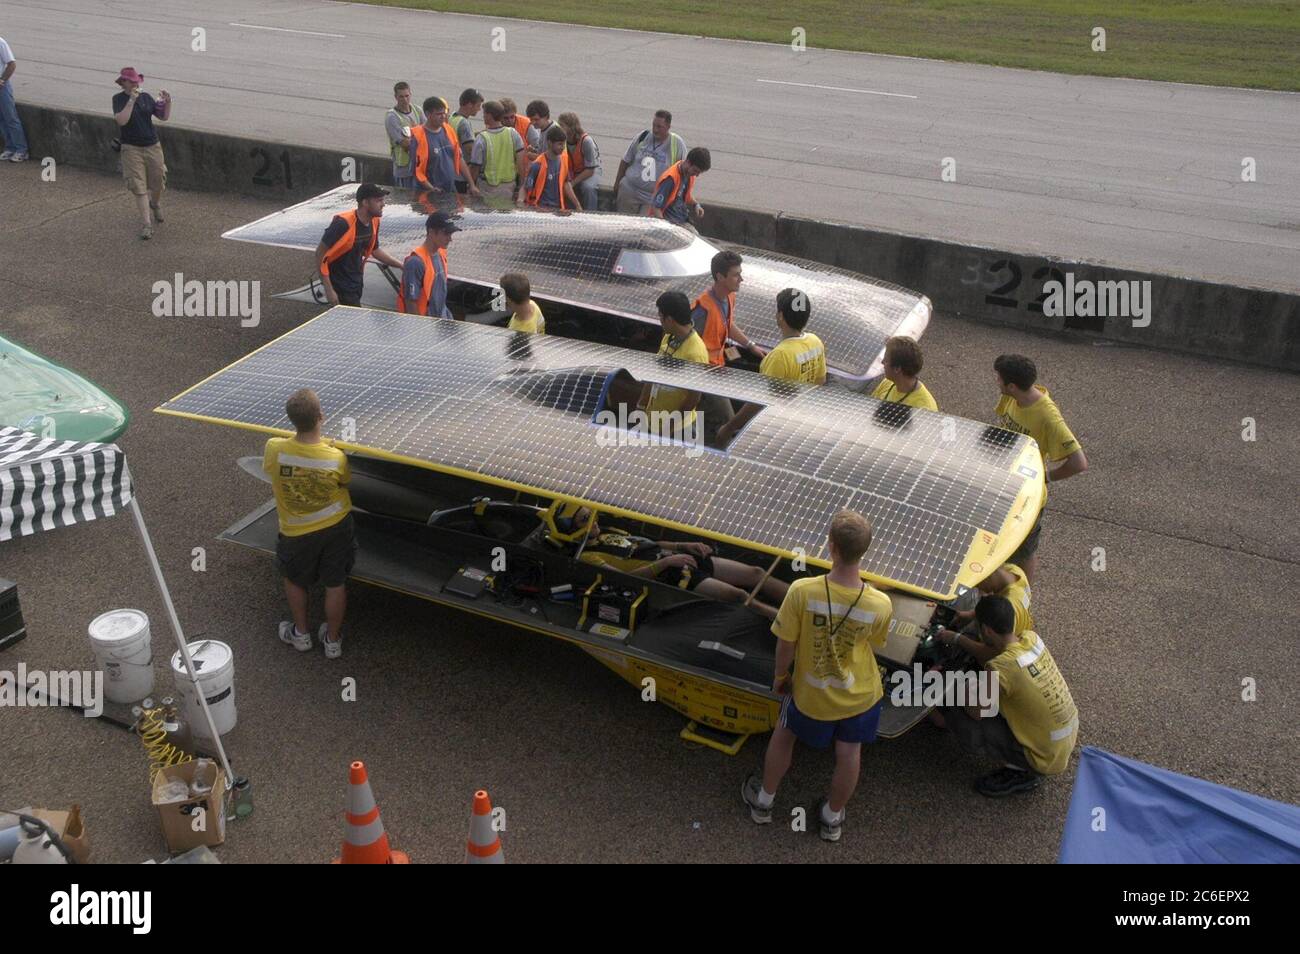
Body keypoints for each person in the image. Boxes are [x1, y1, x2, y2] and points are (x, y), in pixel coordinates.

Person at [742, 510, 892, 842]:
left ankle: (763, 802)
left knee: (784, 734)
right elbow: (874, 643)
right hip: (860, 696)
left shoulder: (802, 591)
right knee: (849, 753)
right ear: (864, 551)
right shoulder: (880, 603)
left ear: (831, 546)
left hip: (809, 693)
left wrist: (781, 676)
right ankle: (831, 819)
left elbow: (786, 642)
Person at [933, 595, 1079, 796]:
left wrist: (953, 685)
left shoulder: (1001, 669)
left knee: (961, 714)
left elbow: (977, 712)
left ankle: (1022, 771)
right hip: (1062, 739)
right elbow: (995, 654)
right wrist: (958, 639)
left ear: (986, 631)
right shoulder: (1031, 638)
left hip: (1043, 757)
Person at [558, 507, 789, 618]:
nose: (594, 521)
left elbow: (649, 543)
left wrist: (682, 546)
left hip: (678, 558)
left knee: (756, 572)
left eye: (592, 515)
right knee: (739, 596)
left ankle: (803, 600)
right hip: (670, 574)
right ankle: (788, 623)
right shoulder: (588, 557)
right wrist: (667, 564)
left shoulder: (607, 530)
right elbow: (626, 580)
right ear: (573, 530)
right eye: (586, 519)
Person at [264, 389, 356, 660]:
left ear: (291, 420)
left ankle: (301, 634)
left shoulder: (274, 449)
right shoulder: (336, 458)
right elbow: (344, 481)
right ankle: (332, 640)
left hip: (296, 532)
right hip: (336, 527)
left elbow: (285, 458)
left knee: (294, 578)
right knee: (335, 582)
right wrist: (328, 447)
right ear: (321, 417)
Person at [993, 354, 1088, 582]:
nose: (996, 382)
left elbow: (1079, 462)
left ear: (1012, 386)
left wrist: (1044, 478)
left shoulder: (1048, 416)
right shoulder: (1011, 399)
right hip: (1005, 485)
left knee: (1024, 551)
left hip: (1027, 496)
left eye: (998, 379)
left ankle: (1022, 598)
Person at [716, 288, 825, 445]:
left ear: (780, 316)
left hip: (779, 428)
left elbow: (758, 403)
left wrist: (729, 427)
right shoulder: (815, 342)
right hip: (803, 423)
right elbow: (819, 383)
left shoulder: (780, 356)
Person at [691, 251, 762, 440]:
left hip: (717, 369)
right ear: (720, 277)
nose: (741, 279)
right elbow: (688, 345)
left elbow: (726, 323)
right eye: (736, 275)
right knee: (728, 423)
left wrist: (750, 345)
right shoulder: (702, 310)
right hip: (705, 375)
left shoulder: (729, 297)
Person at [635, 291, 709, 439]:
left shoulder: (696, 353)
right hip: (654, 420)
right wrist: (641, 406)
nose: (660, 321)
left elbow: (694, 398)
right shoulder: (669, 338)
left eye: (660, 317)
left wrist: (668, 427)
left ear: (669, 319)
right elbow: (653, 374)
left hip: (678, 429)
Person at [315, 184, 403, 306]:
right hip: (339, 285)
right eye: (379, 200)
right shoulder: (342, 224)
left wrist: (401, 265)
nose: (383, 204)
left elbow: (375, 250)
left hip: (355, 282)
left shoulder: (374, 221)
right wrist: (328, 289)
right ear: (365, 202)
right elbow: (320, 254)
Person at [110, 68, 171, 240]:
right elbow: (121, 120)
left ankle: (155, 203)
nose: (136, 84)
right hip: (131, 148)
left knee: (159, 180)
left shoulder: (146, 98)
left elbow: (163, 116)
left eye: (137, 81)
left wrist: (168, 102)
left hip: (152, 145)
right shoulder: (118, 99)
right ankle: (147, 224)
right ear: (124, 83)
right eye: (132, 81)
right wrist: (131, 100)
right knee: (138, 185)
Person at [613, 109, 686, 215]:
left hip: (652, 197)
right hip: (630, 190)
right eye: (654, 125)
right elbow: (625, 160)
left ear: (668, 127)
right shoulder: (643, 136)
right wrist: (617, 183)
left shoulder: (677, 144)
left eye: (659, 127)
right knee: (624, 223)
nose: (655, 130)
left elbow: (683, 173)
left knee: (644, 227)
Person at [944, 563, 1034, 640]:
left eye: (978, 584)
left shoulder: (1010, 605)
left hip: (1008, 645)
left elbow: (994, 651)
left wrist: (957, 639)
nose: (977, 588)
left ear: (987, 575)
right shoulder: (1014, 570)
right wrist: (971, 614)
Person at [405, 96, 474, 196]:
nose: (443, 117)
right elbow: (417, 171)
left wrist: (471, 184)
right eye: (438, 114)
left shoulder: (449, 130)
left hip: (450, 190)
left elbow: (458, 158)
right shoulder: (418, 137)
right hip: (428, 194)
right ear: (428, 114)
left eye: (444, 113)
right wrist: (432, 189)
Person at [398, 211, 460, 318]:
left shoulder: (441, 253)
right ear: (431, 232)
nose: (450, 239)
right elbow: (410, 303)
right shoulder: (415, 262)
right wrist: (420, 330)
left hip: (442, 319)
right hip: (426, 326)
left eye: (450, 234)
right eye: (446, 234)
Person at [468, 100, 528, 207]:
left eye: (484, 114)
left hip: (487, 188)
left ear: (489, 116)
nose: (483, 117)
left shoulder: (481, 139)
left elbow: (475, 167)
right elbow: (521, 163)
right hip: (509, 187)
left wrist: (471, 185)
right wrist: (521, 186)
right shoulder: (513, 134)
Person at [648, 147, 710, 230]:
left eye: (699, 173)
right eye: (695, 171)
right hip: (671, 224)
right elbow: (656, 208)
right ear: (688, 162)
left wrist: (696, 205)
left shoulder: (688, 175)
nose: (696, 175)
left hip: (682, 220)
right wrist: (665, 228)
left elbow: (685, 196)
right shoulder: (670, 179)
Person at [522, 125, 581, 210]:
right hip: (540, 209)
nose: (563, 147)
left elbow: (566, 183)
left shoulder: (563, 161)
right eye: (560, 144)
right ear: (550, 143)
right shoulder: (537, 164)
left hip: (558, 209)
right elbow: (526, 187)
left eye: (564, 144)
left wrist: (577, 204)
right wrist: (521, 202)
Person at [871, 336, 938, 411]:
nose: (882, 362)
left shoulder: (925, 409)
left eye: (886, 360)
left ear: (897, 369)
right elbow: (869, 408)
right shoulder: (887, 383)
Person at [557, 112, 601, 212]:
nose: (559, 128)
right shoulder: (562, 141)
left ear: (571, 127)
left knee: (588, 187)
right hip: (573, 170)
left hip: (591, 169)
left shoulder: (586, 141)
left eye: (562, 126)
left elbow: (590, 170)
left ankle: (591, 213)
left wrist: (572, 183)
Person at [385, 82, 425, 189]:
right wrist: (419, 137)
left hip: (420, 167)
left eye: (407, 96)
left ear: (410, 94)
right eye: (401, 97)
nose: (405, 99)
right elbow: (405, 144)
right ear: (396, 97)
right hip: (404, 169)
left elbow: (428, 133)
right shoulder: (392, 117)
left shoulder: (417, 110)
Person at [448, 88, 483, 195]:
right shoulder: (464, 123)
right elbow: (470, 149)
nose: (479, 109)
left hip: (450, 171)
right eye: (478, 106)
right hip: (460, 175)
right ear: (469, 105)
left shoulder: (453, 117)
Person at [0, 35, 30, 162]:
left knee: (11, 117)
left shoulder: (0, 42)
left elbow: (12, 64)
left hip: (2, 86)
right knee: (1, 119)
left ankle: (21, 150)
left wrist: (2, 80)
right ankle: (10, 147)